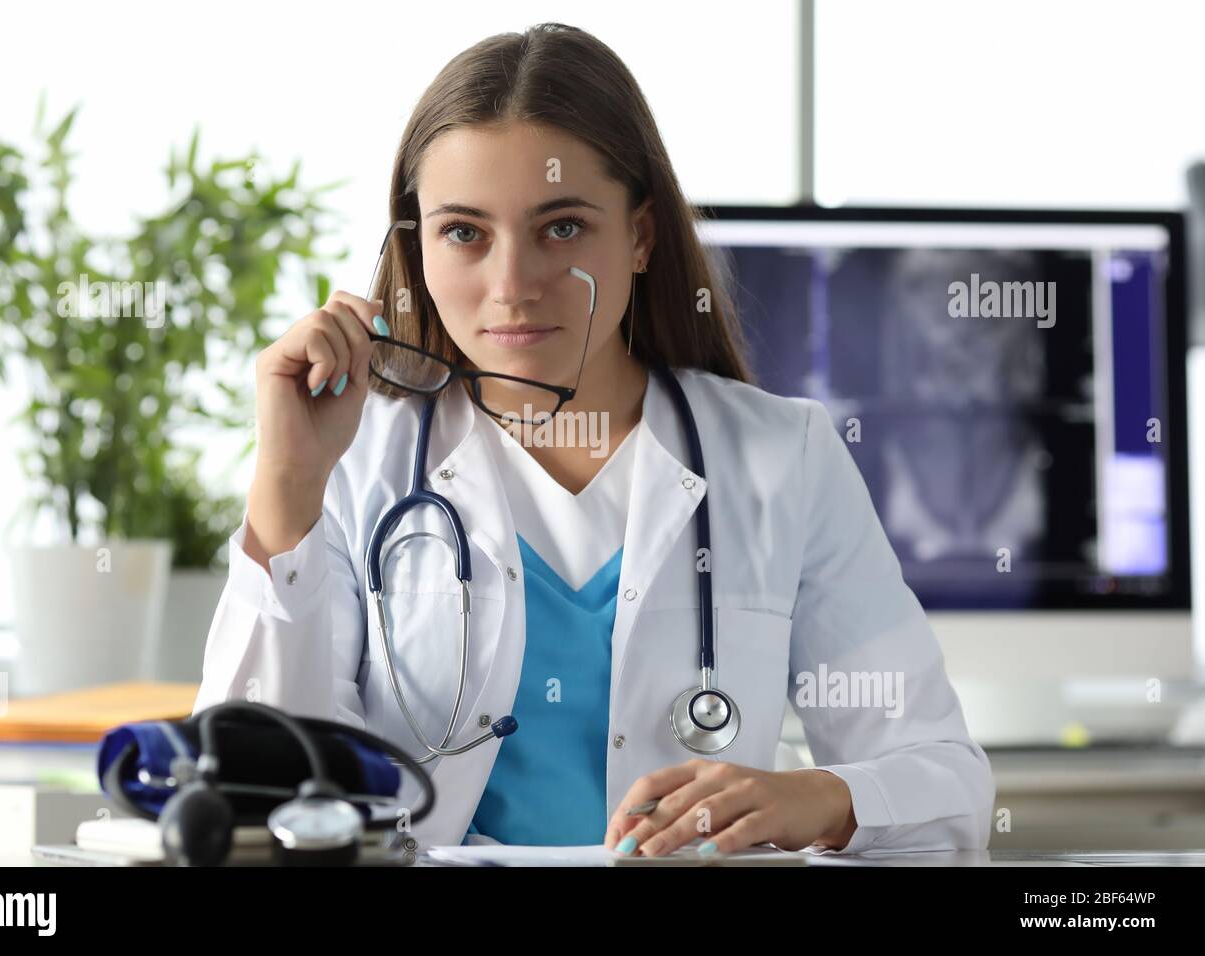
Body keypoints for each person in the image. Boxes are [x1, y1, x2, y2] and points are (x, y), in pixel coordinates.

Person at [193, 22, 994, 857]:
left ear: (641, 237)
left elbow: (947, 792)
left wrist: (821, 799)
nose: (512, 287)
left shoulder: (780, 455)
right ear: (417, 245)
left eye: (562, 228)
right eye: (464, 232)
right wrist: (288, 483)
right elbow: (252, 788)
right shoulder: (356, 459)